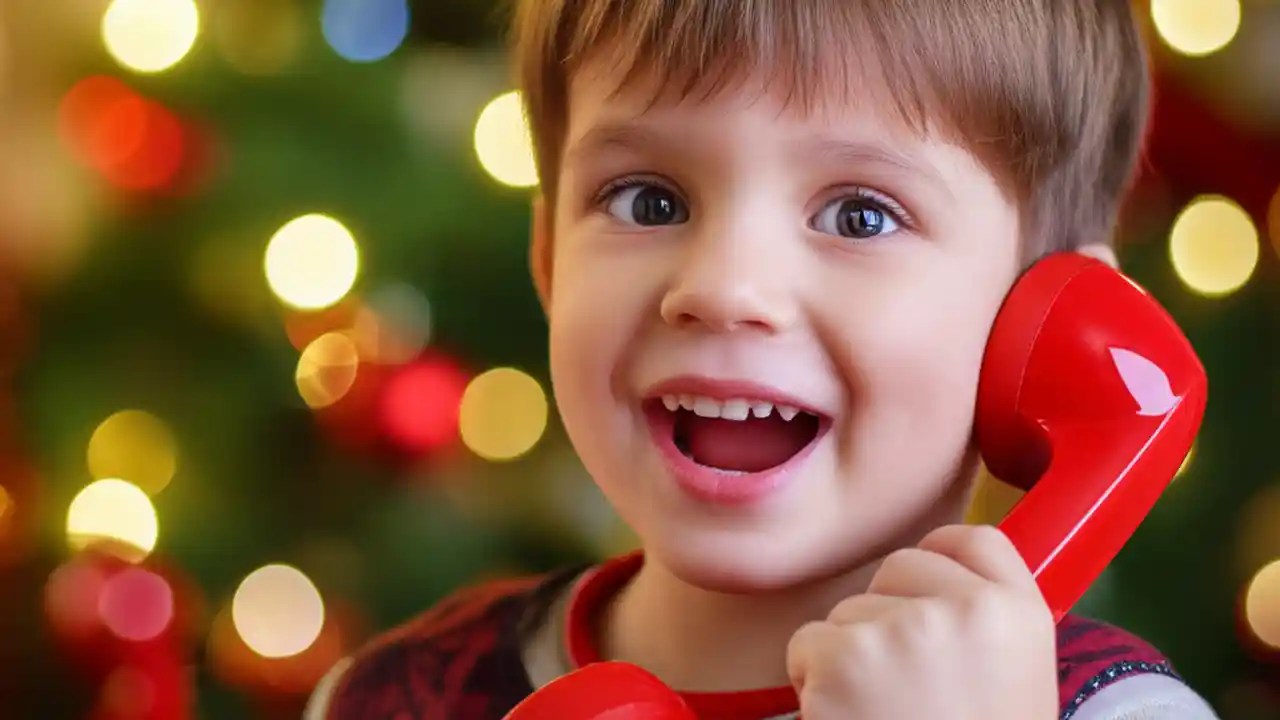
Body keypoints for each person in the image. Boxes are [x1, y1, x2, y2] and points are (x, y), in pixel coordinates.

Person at [307, 1, 1220, 717]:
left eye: (861, 214)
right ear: (548, 258)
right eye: (647, 201)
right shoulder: (387, 695)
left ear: (1051, 325)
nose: (724, 286)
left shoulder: (1120, 713)